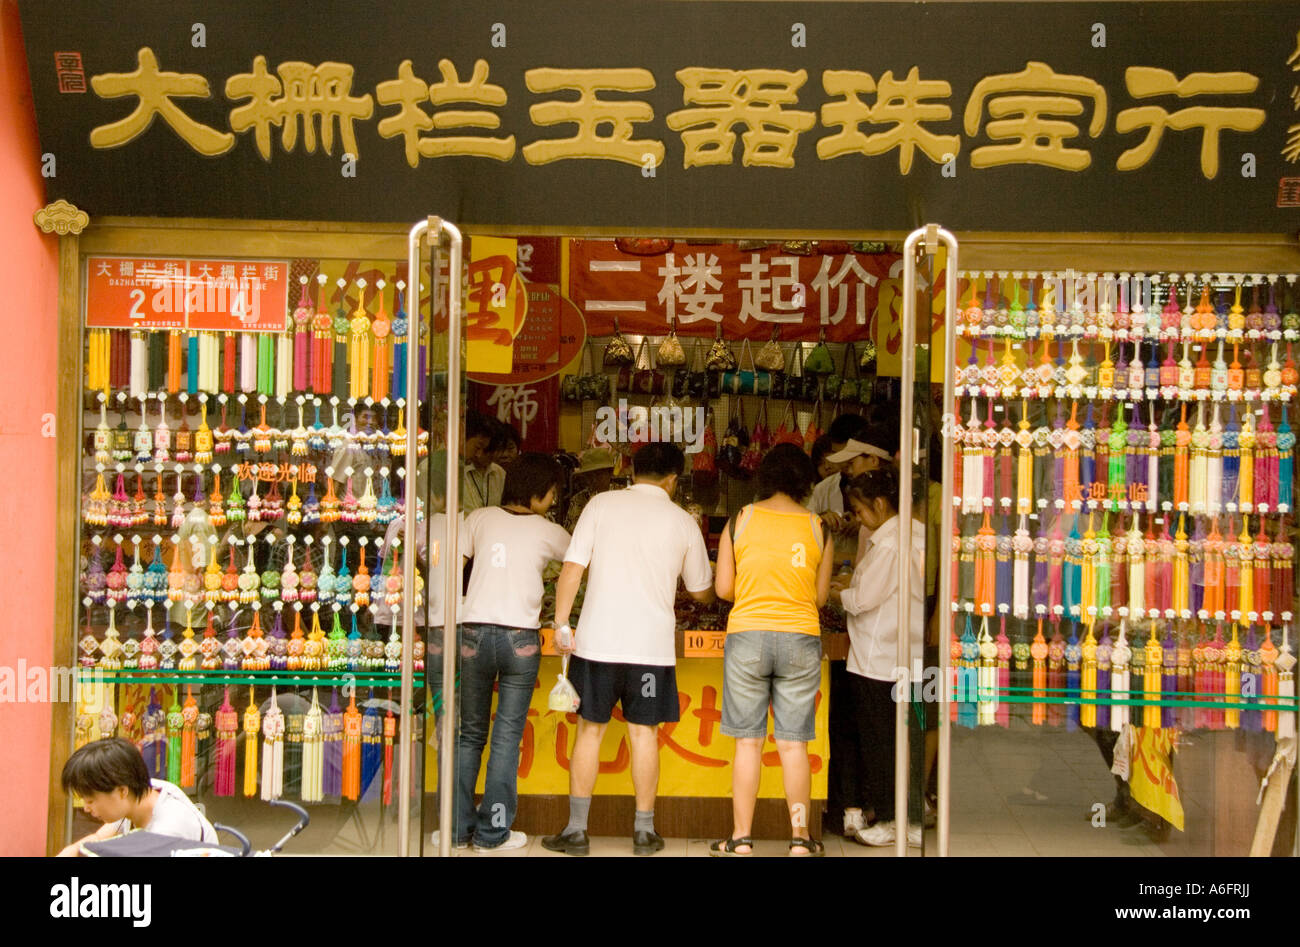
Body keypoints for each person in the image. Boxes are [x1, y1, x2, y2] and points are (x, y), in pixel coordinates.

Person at [543, 442, 715, 856]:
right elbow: (700, 591)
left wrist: (562, 622)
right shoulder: (683, 522)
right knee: (643, 735)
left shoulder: (600, 505)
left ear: (631, 469)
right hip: (651, 650)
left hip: (598, 642)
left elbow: (572, 568)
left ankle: (576, 831)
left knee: (590, 731)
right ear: (674, 479)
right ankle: (643, 832)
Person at [710, 443, 835, 856]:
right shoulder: (819, 527)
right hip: (801, 636)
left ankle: (741, 839)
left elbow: (724, 589)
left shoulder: (740, 520)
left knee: (748, 742)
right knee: (793, 744)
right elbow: (819, 599)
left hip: (747, 635)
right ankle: (800, 839)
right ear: (805, 481)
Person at [453, 453, 570, 851]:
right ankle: (492, 833)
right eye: (552, 491)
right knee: (505, 738)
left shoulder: (480, 518)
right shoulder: (548, 530)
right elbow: (578, 562)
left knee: (469, 735)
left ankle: (457, 829)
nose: (554, 499)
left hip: (472, 632)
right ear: (538, 492)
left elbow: (453, 566)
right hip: (520, 637)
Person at [831, 468, 927, 847]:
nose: (857, 518)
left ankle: (889, 818)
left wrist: (834, 594)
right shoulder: (916, 533)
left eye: (858, 510)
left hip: (878, 655)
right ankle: (911, 819)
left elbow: (864, 599)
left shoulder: (889, 544)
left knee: (880, 742)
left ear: (880, 504)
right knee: (905, 741)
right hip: (907, 651)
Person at [57, 737, 218, 855]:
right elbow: (99, 837)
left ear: (121, 791)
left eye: (90, 800)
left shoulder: (168, 830)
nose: (86, 808)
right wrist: (71, 850)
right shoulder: (141, 792)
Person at [462, 411, 505, 512]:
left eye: (487, 451)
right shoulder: (455, 469)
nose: (478, 454)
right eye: (478, 447)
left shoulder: (499, 473)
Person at [564, 447, 615, 532]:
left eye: (598, 474)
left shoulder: (621, 494)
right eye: (589, 475)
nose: (593, 479)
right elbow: (571, 532)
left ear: (609, 473)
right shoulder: (578, 500)